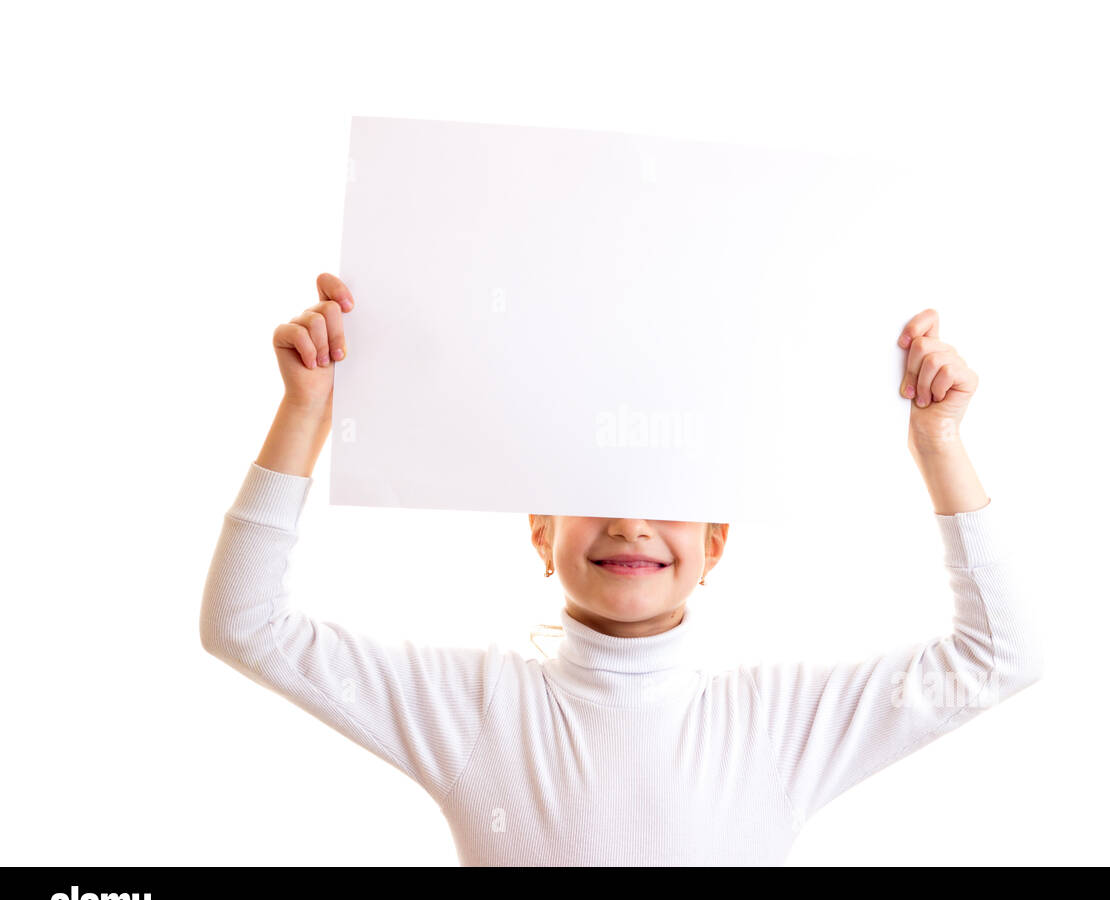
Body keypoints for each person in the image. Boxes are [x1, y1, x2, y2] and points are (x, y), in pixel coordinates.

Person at [199, 272, 1044, 866]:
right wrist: (304, 412)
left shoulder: (780, 723)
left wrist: (938, 446)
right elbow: (244, 625)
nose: (631, 520)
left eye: (669, 495)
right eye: (595, 488)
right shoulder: (475, 710)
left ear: (717, 545)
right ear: (540, 530)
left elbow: (1002, 656)